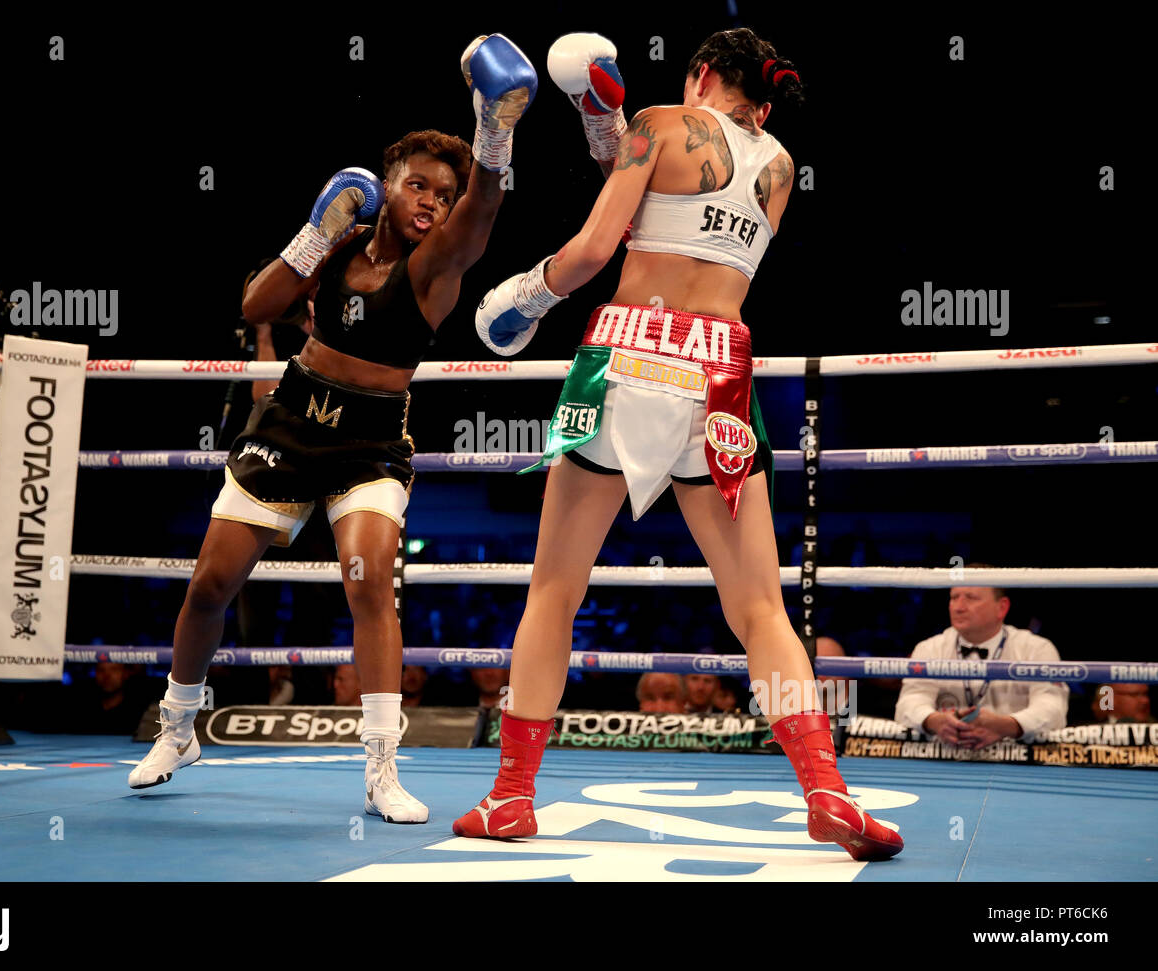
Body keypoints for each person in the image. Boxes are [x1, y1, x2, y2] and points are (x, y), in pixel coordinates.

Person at [454, 29, 902, 861]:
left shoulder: (659, 122)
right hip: (721, 375)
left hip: (628, 357)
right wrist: (606, 129)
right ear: (763, 105)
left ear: (698, 75)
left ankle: (512, 797)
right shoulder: (779, 168)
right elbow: (675, 227)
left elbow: (599, 248)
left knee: (555, 588)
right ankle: (827, 794)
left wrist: (522, 295)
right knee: (761, 609)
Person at [128, 33, 538, 826]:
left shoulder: (433, 269)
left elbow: (484, 214)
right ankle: (178, 727)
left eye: (441, 194)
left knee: (367, 579)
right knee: (211, 581)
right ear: (387, 185)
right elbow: (253, 307)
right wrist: (314, 234)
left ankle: (383, 767)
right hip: (288, 420)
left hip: (370, 440)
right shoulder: (340, 244)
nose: (430, 201)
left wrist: (495, 133)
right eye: (417, 185)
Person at [895, 567, 1068, 747]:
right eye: (954, 598)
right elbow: (909, 702)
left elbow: (1053, 709)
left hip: (1018, 763)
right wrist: (934, 721)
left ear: (1001, 607)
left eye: (971, 598)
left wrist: (1008, 725)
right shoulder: (929, 649)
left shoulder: (1036, 649)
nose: (959, 607)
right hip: (944, 758)